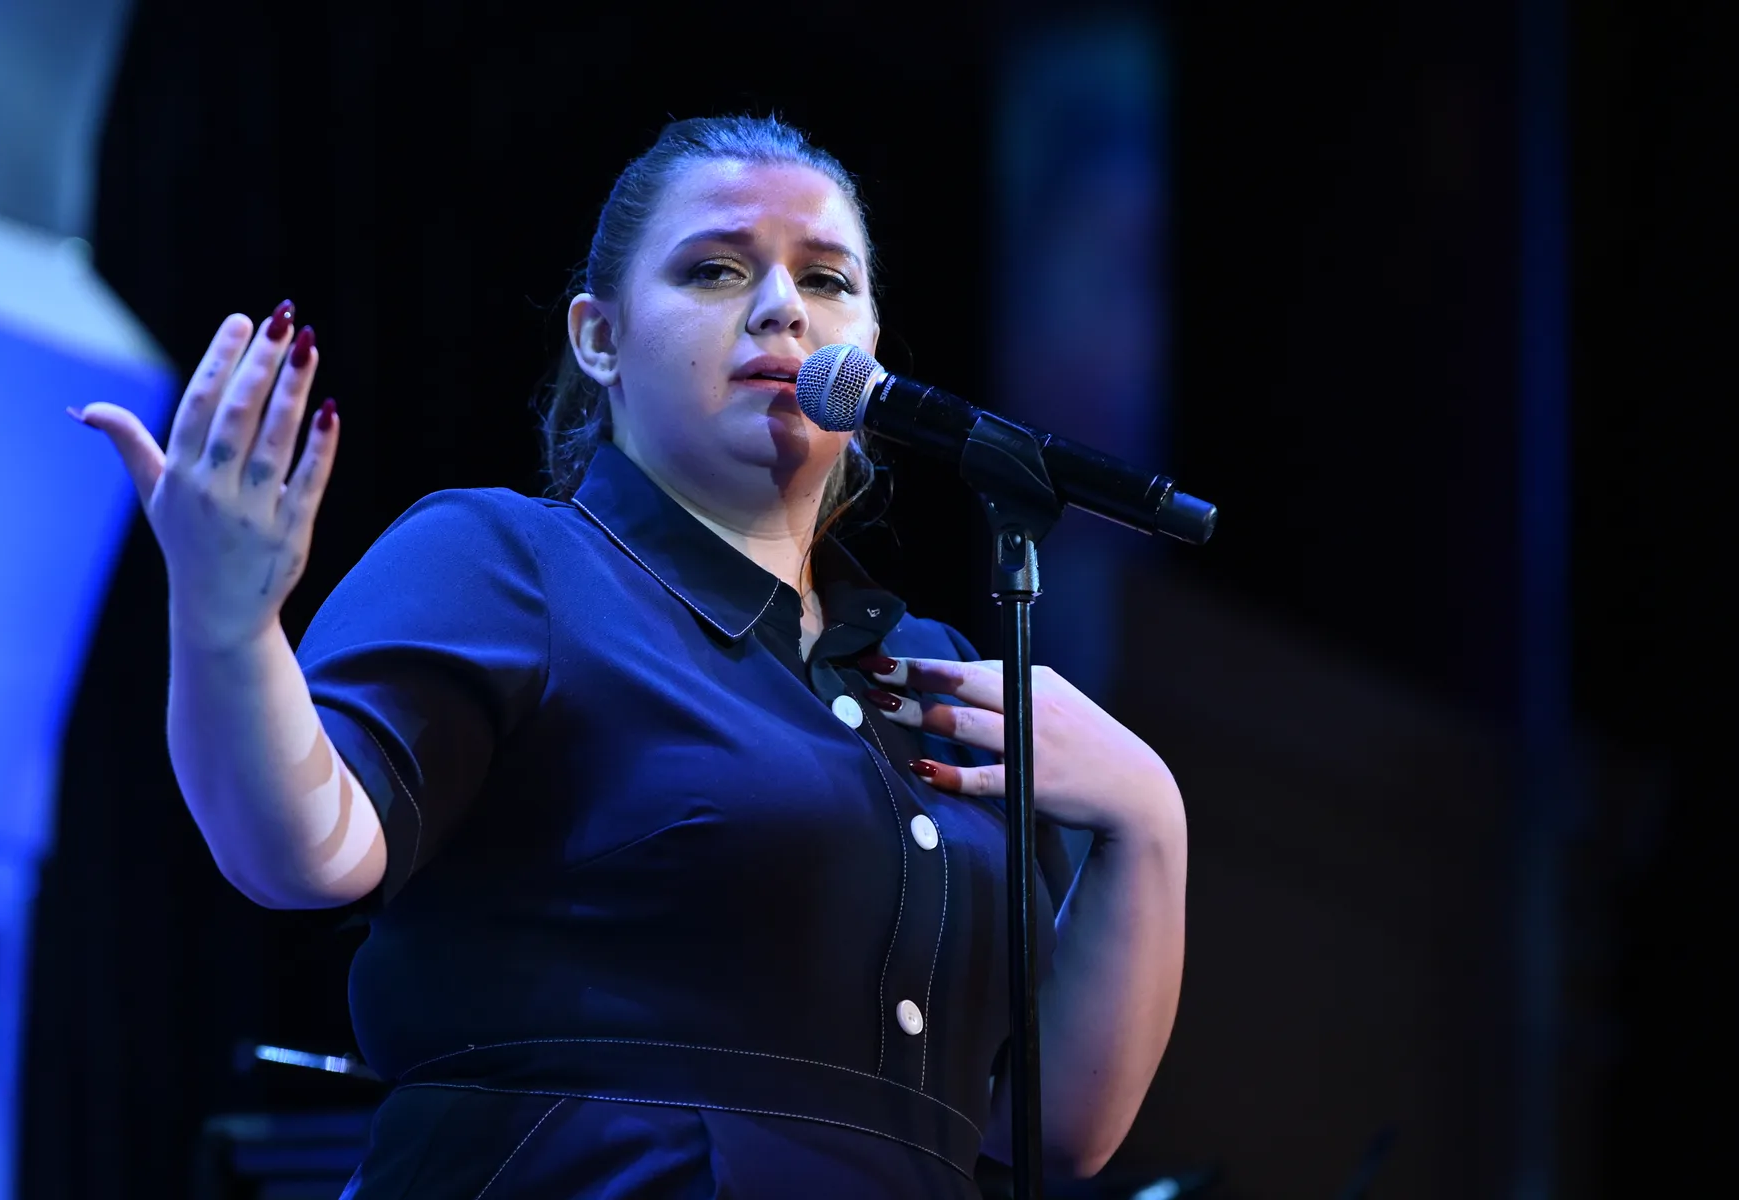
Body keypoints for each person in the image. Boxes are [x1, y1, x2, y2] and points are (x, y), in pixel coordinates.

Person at [76, 115, 1185, 1198]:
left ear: (872, 350)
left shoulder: (937, 676)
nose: (783, 307)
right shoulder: (513, 561)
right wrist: (228, 628)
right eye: (714, 270)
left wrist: (1148, 820)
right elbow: (301, 854)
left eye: (828, 280)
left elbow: (1052, 1130)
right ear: (599, 338)